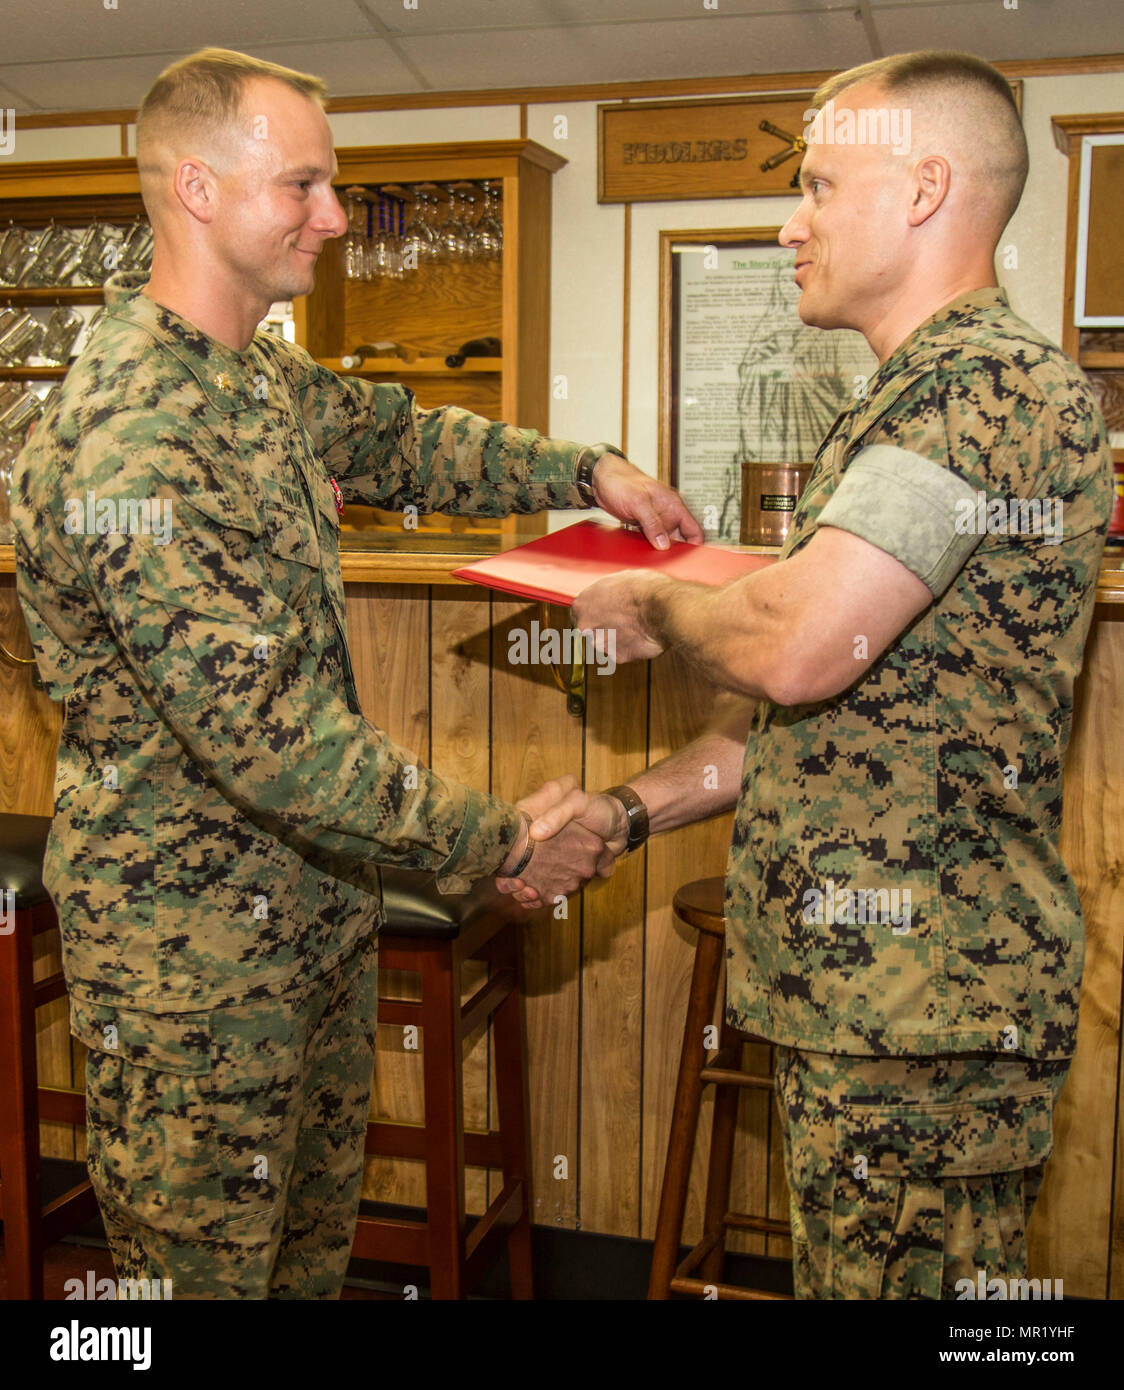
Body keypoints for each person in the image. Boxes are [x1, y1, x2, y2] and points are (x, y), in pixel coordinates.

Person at [9, 47, 700, 1300]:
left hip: (310, 925)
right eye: (304, 186)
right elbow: (271, 741)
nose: (335, 217)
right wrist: (501, 841)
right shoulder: (134, 437)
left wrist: (584, 472)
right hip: (192, 972)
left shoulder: (255, 378)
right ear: (199, 189)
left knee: (304, 1272)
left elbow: (403, 435)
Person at [512, 50, 1114, 1299]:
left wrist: (648, 603)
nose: (789, 225)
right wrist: (626, 812)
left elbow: (797, 645)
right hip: (875, 1003)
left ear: (923, 189)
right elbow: (799, 724)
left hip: (924, 1014)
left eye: (819, 186)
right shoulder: (902, 399)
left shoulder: (983, 386)